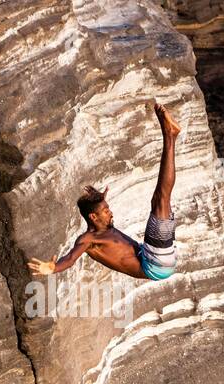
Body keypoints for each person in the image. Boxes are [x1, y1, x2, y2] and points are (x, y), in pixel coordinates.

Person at [27, 101, 181, 281]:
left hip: (155, 255)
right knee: (161, 199)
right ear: (93, 217)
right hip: (154, 264)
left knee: (160, 201)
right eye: (106, 211)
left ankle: (170, 135)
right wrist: (53, 268)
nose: (110, 213)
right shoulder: (89, 240)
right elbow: (70, 259)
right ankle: (169, 136)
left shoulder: (105, 227)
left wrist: (100, 199)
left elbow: (98, 208)